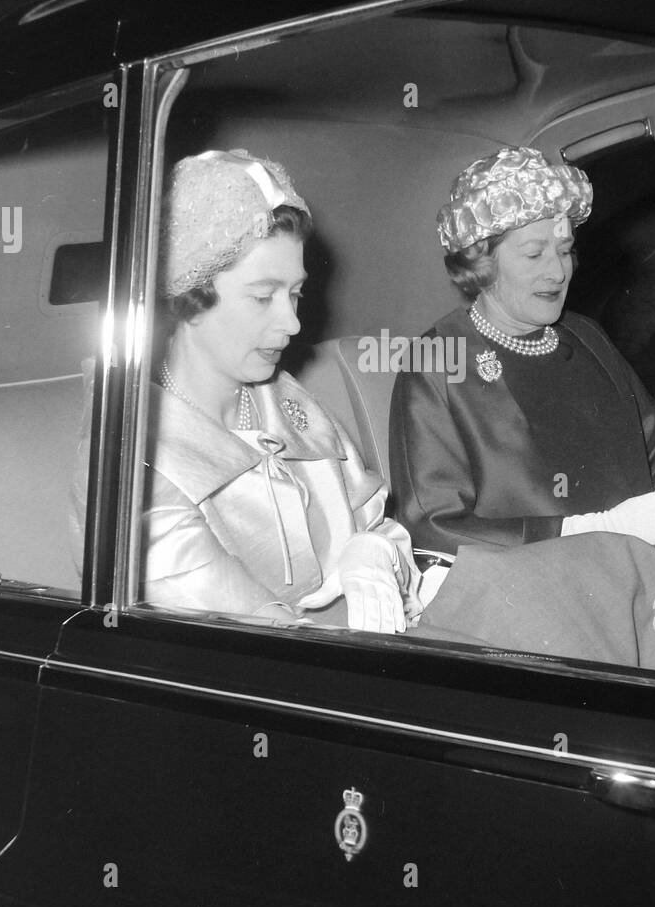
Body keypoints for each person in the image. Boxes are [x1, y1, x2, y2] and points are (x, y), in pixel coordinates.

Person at [388, 146, 655, 683]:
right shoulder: (435, 361)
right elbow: (430, 525)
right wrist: (594, 528)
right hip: (551, 582)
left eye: (565, 249)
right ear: (480, 261)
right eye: (533, 253)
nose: (557, 271)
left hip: (647, 557)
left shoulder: (586, 336)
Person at [74, 148, 420, 633]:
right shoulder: (132, 455)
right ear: (192, 298)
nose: (293, 322)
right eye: (263, 296)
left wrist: (374, 551)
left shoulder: (290, 405)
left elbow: (379, 525)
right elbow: (239, 637)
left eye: (295, 293)